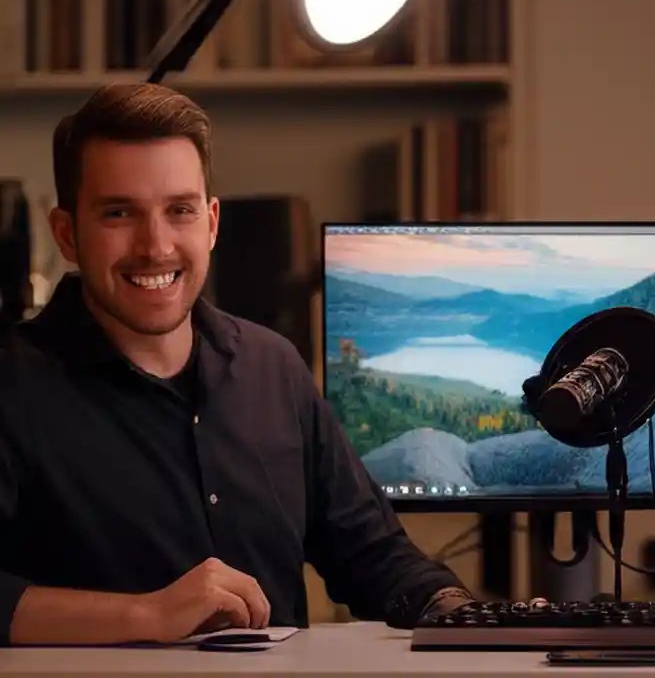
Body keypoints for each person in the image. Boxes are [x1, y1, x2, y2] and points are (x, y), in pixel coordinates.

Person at [0, 83, 474, 647]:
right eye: (119, 213)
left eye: (180, 211)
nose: (155, 246)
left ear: (212, 222)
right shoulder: (12, 383)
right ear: (67, 234)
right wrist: (148, 617)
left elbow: (373, 554)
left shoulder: (273, 367)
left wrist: (466, 614)